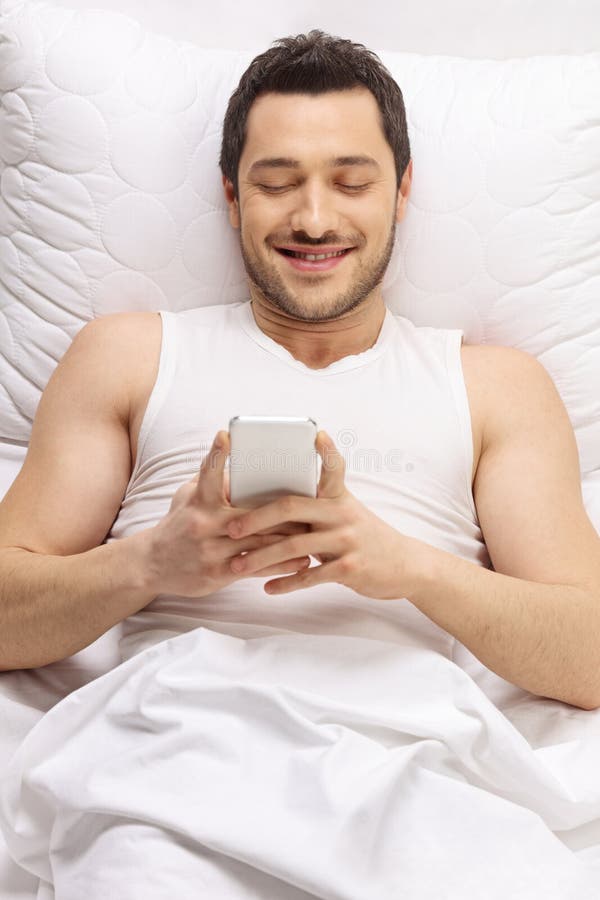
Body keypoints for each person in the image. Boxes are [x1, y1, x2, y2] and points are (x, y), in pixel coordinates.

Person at [0, 29, 599, 712]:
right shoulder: (128, 358)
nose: (314, 220)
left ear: (401, 191)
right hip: (170, 743)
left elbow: (591, 661)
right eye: (278, 183)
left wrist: (412, 568)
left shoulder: (495, 388)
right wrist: (148, 563)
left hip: (400, 761)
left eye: (351, 183)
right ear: (232, 197)